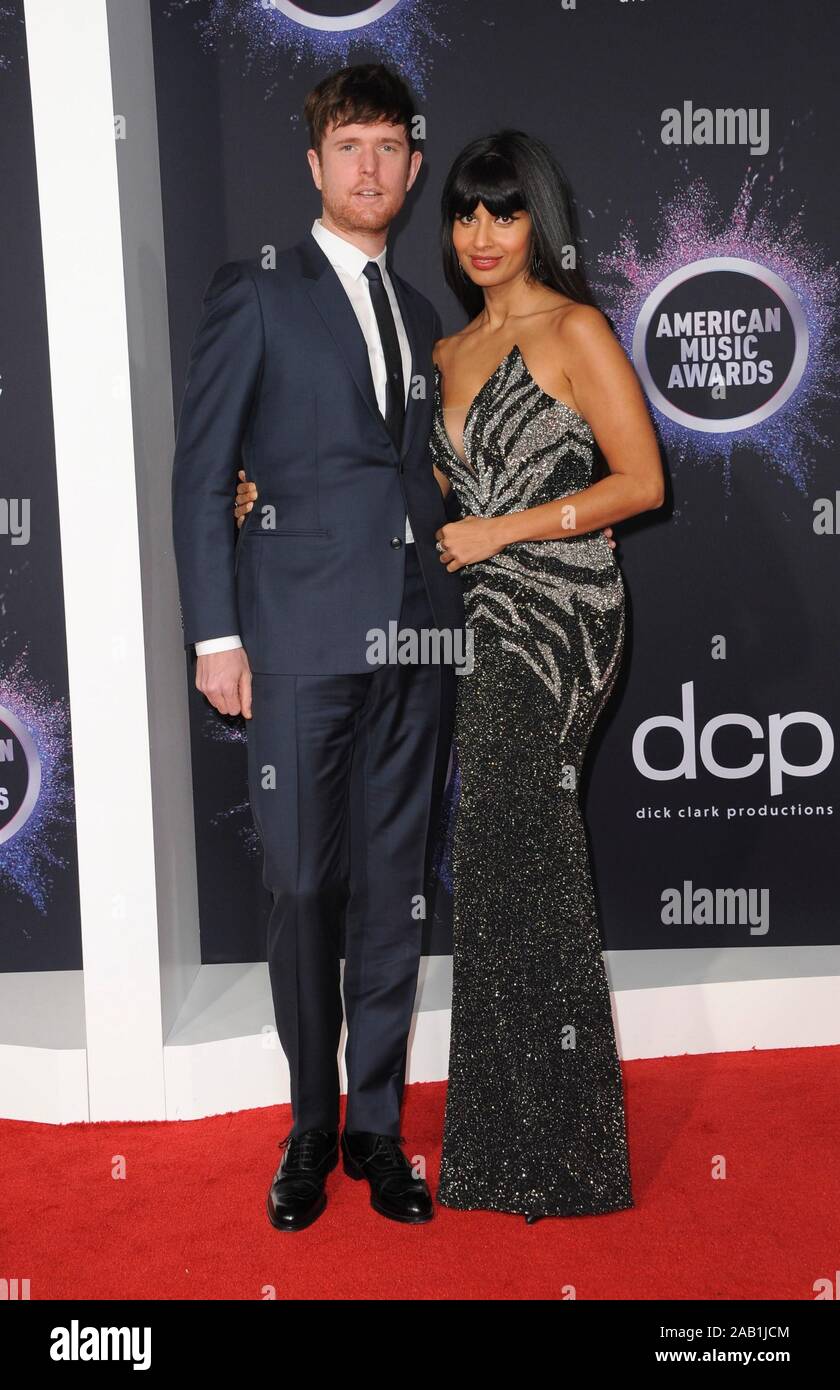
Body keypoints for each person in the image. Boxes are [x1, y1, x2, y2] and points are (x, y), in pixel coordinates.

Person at [234, 125, 663, 1222]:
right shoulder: (442, 347)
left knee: (524, 854)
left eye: (503, 213)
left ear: (538, 223)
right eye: (467, 214)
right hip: (462, 623)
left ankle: (555, 1150)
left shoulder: (577, 329)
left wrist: (515, 528)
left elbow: (640, 482)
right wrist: (265, 490)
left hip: (558, 617)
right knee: (502, 860)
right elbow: (396, 485)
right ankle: (507, 1134)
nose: (481, 234)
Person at [172, 64, 466, 1232]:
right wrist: (214, 633)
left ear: (411, 164)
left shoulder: (423, 313)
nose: (372, 167)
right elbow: (204, 473)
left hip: (414, 636)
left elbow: (414, 473)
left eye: (392, 147)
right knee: (303, 885)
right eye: (351, 145)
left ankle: (377, 1129)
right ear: (314, 163)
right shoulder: (257, 290)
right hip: (292, 637)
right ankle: (306, 1121)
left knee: (395, 892)